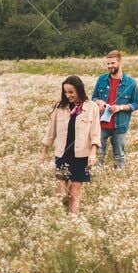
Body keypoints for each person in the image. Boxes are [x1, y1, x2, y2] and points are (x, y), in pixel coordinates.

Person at [40, 75, 101, 213]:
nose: (68, 95)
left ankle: (72, 223)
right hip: (62, 154)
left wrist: (93, 153)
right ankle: (60, 218)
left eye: (71, 92)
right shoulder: (60, 107)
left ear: (79, 90)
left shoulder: (92, 108)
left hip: (81, 156)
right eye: (65, 92)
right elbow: (51, 131)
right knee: (60, 194)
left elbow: (95, 134)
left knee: (74, 194)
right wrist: (43, 152)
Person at [91, 49, 138, 168]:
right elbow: (93, 97)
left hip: (120, 125)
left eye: (112, 63)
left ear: (119, 63)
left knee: (119, 155)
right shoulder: (101, 79)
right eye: (108, 64)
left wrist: (120, 107)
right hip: (101, 123)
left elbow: (136, 104)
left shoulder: (131, 83)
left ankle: (119, 175)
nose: (110, 66)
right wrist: (98, 102)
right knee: (99, 154)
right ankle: (99, 176)